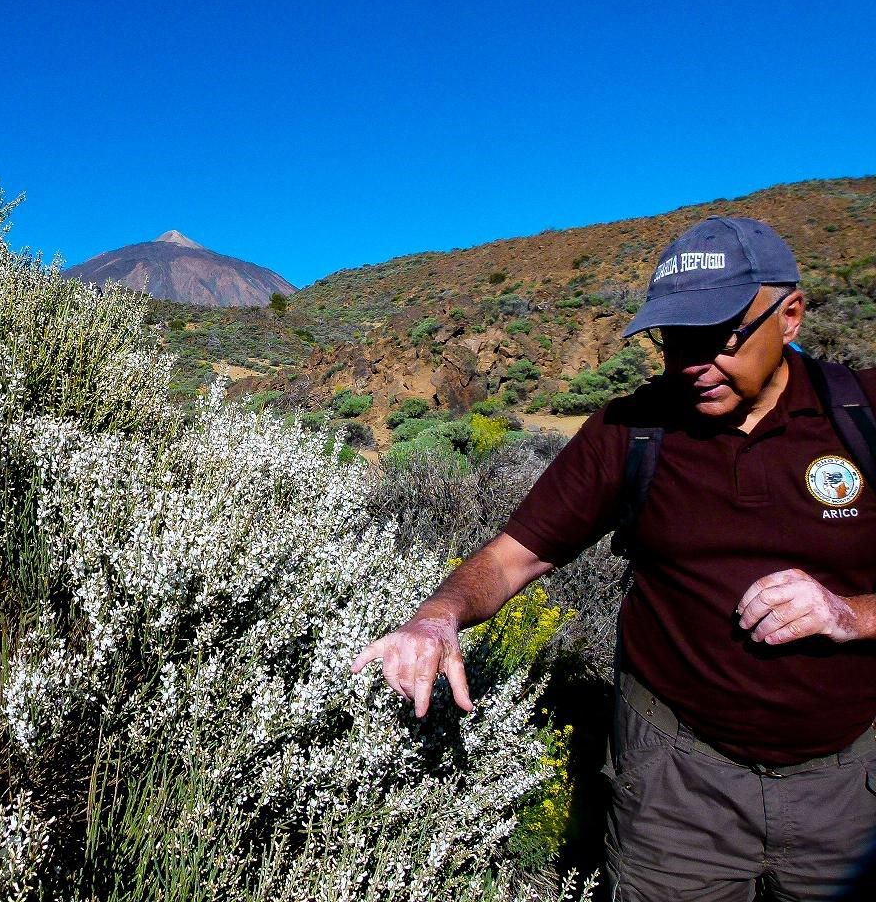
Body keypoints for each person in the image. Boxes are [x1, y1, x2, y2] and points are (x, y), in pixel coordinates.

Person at [352, 216, 876, 901]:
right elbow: (512, 558)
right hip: (680, 790)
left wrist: (851, 614)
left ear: (790, 314)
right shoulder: (632, 431)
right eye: (676, 340)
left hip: (850, 788)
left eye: (719, 336)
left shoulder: (860, 413)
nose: (693, 362)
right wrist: (437, 616)